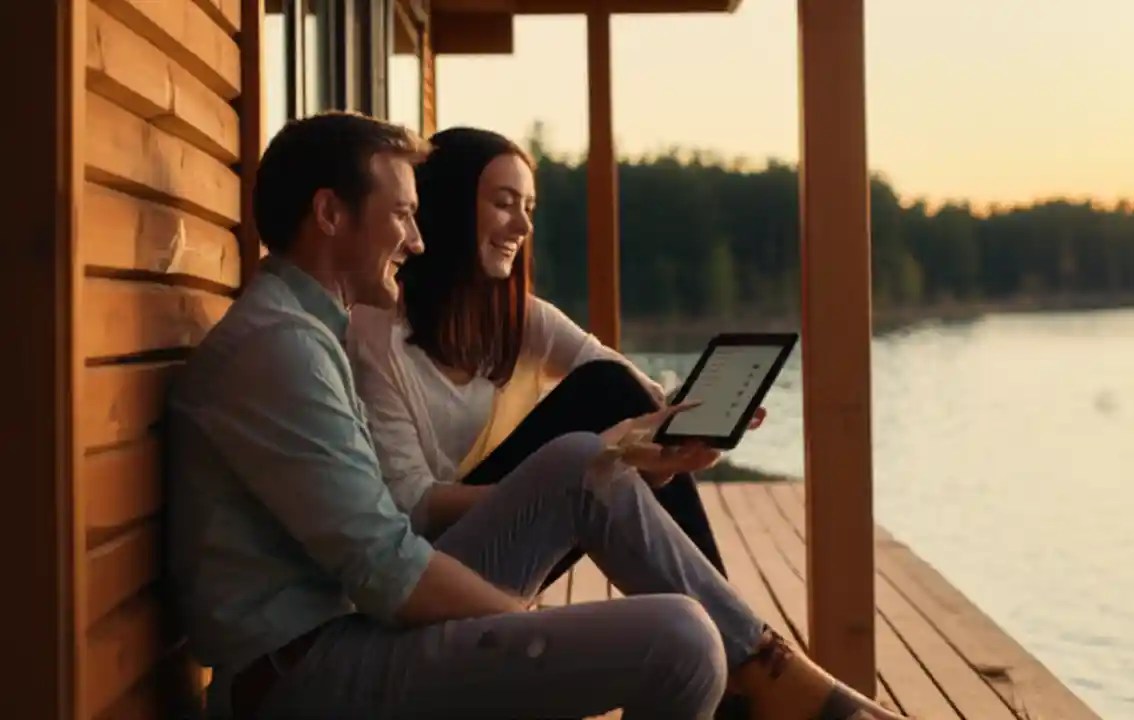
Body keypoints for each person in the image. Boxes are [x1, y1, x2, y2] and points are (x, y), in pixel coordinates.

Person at [165, 111, 911, 720]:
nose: (417, 241)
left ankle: (762, 668)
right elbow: (387, 567)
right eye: (401, 216)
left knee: (582, 460)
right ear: (330, 214)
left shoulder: (306, 334)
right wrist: (530, 632)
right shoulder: (284, 349)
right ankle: (763, 679)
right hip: (306, 675)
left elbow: (389, 529)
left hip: (345, 628)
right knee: (679, 638)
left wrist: (654, 436)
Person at [345, 125, 737, 584]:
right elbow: (415, 504)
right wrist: (555, 486)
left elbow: (633, 393)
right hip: (428, 568)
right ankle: (728, 622)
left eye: (528, 208)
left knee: (608, 388)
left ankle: (721, 617)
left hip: (502, 540)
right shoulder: (375, 333)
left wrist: (688, 425)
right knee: (601, 405)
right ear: (449, 207)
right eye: (504, 204)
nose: (523, 226)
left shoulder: (521, 319)